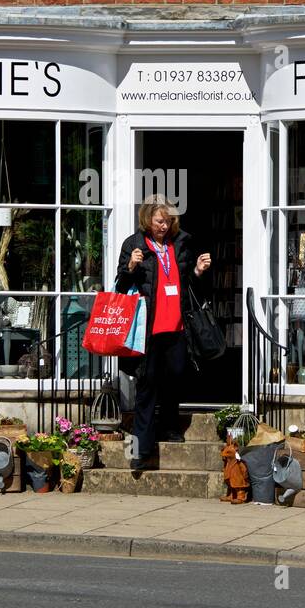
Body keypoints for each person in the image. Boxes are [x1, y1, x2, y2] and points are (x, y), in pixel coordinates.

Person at [114, 193, 212, 470]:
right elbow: (121, 286)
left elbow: (187, 283)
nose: (164, 226)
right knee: (148, 384)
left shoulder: (180, 244)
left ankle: (169, 427)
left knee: (175, 376)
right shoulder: (134, 245)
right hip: (148, 328)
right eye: (159, 221)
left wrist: (197, 271)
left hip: (177, 326)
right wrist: (131, 266)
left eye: (168, 221)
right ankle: (140, 451)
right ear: (147, 219)